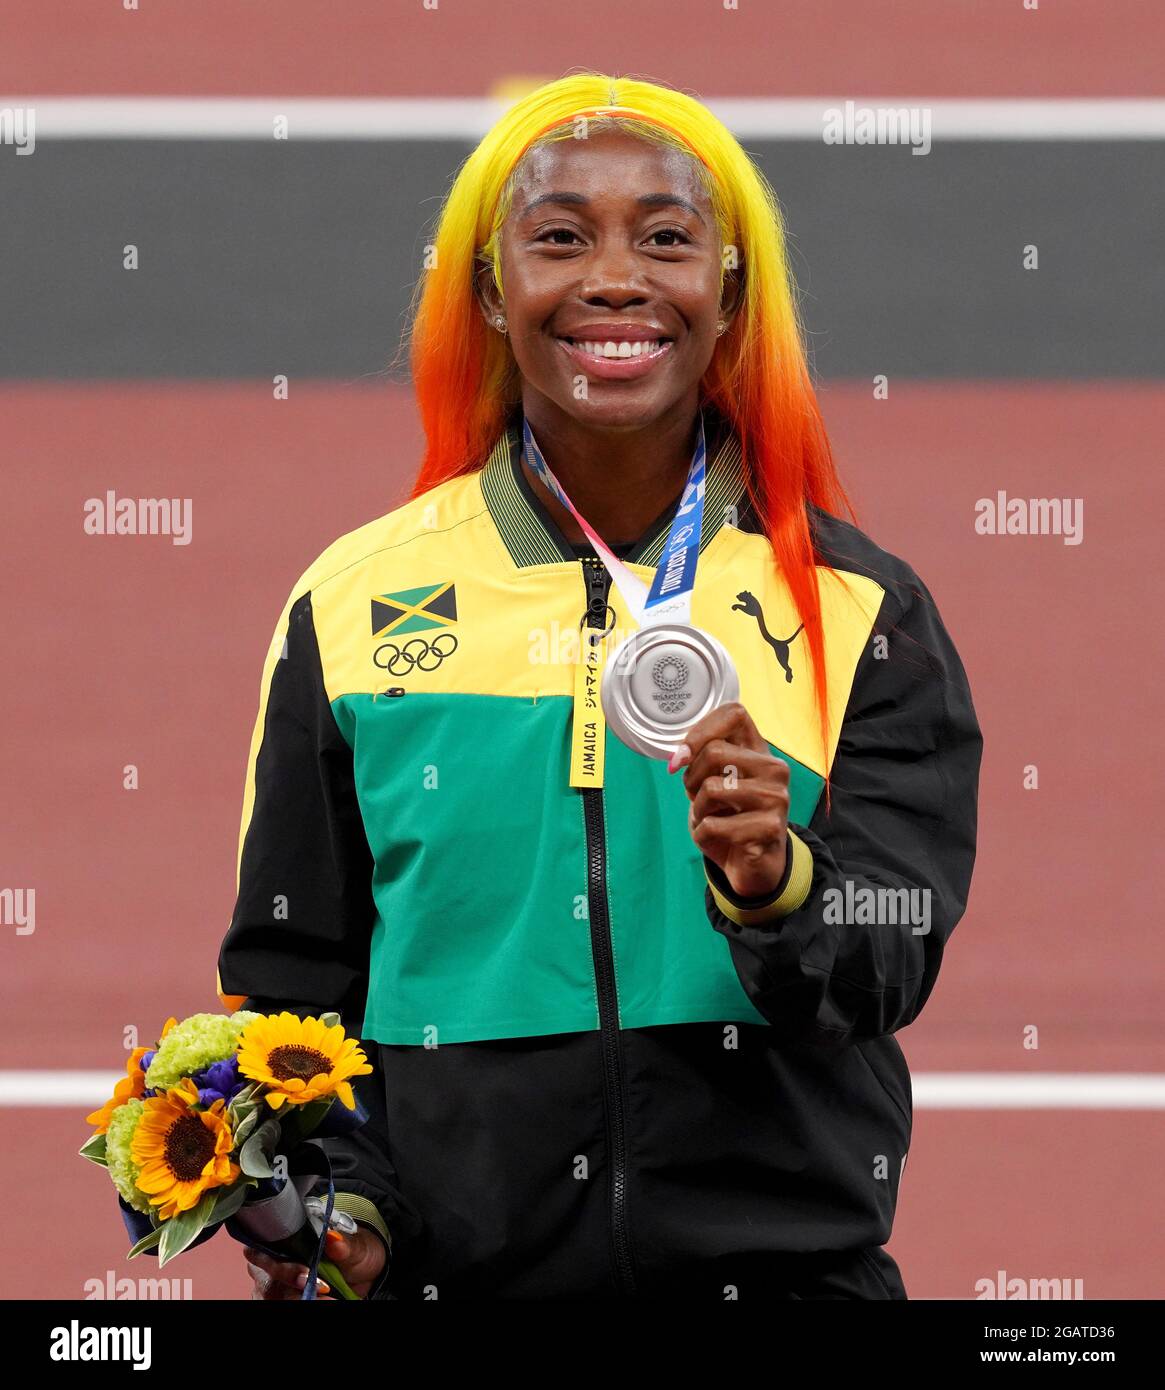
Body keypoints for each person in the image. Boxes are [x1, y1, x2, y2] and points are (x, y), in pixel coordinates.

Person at [217, 72, 982, 1301]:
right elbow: (294, 983)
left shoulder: (859, 611)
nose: (615, 279)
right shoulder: (351, 605)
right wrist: (341, 1205)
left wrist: (774, 880)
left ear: (728, 294)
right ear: (487, 289)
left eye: (668, 240)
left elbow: (891, 958)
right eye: (559, 237)